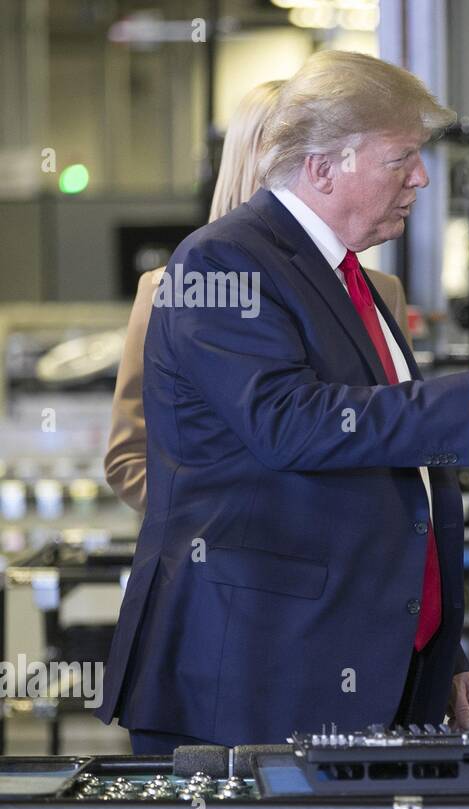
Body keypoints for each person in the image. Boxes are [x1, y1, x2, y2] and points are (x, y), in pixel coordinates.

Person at [96, 51, 469, 752]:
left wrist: (440, 652)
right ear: (324, 167)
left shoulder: (351, 281)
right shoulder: (223, 262)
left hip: (365, 667)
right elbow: (289, 424)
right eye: (402, 158)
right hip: (258, 680)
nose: (420, 176)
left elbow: (387, 476)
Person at [106, 81, 416, 513]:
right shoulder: (171, 288)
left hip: (358, 559)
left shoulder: (379, 291)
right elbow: (130, 458)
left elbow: (394, 428)